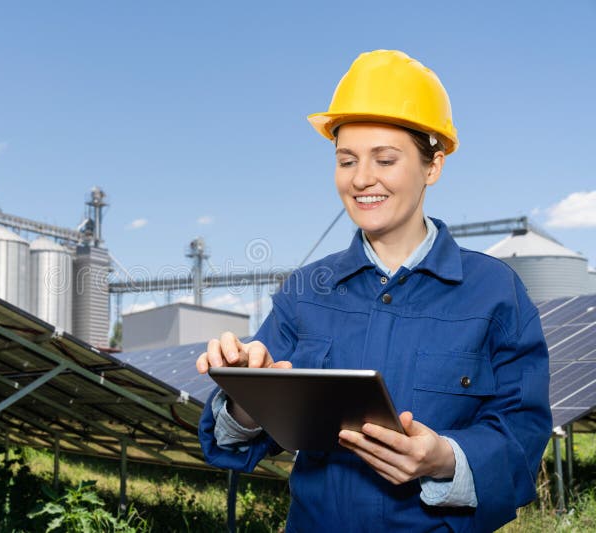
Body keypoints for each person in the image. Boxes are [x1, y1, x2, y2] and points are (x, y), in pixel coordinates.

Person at [195, 50, 552, 532]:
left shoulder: (494, 293)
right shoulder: (305, 292)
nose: (362, 179)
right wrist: (242, 389)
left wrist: (444, 459)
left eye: (385, 159)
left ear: (433, 166)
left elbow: (522, 433)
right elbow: (238, 441)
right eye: (346, 161)